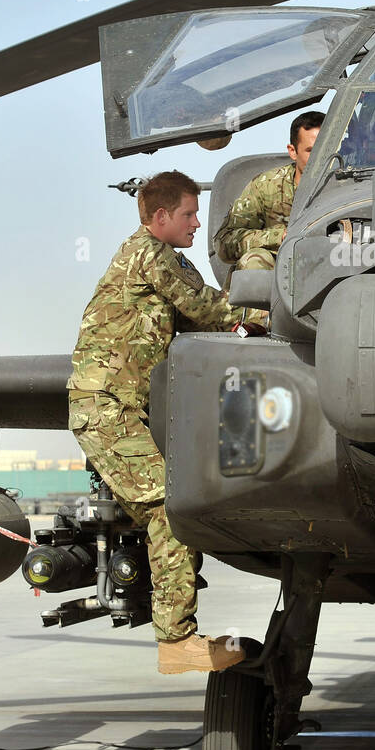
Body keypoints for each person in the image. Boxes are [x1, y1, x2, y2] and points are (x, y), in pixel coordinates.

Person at [67, 171, 247, 675]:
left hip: (119, 409)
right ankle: (177, 642)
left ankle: (177, 633)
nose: (196, 223)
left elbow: (200, 318)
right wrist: (264, 314)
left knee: (172, 508)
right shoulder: (151, 255)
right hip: (107, 410)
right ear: (161, 217)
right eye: (189, 214)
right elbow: (207, 307)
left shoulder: (164, 259)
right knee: (169, 513)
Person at [213, 111, 324, 322]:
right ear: (293, 151)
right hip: (279, 274)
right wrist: (279, 238)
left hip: (330, 269)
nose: (320, 158)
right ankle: (259, 331)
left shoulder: (348, 182)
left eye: (327, 150)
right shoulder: (267, 186)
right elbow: (225, 243)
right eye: (311, 151)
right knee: (254, 260)